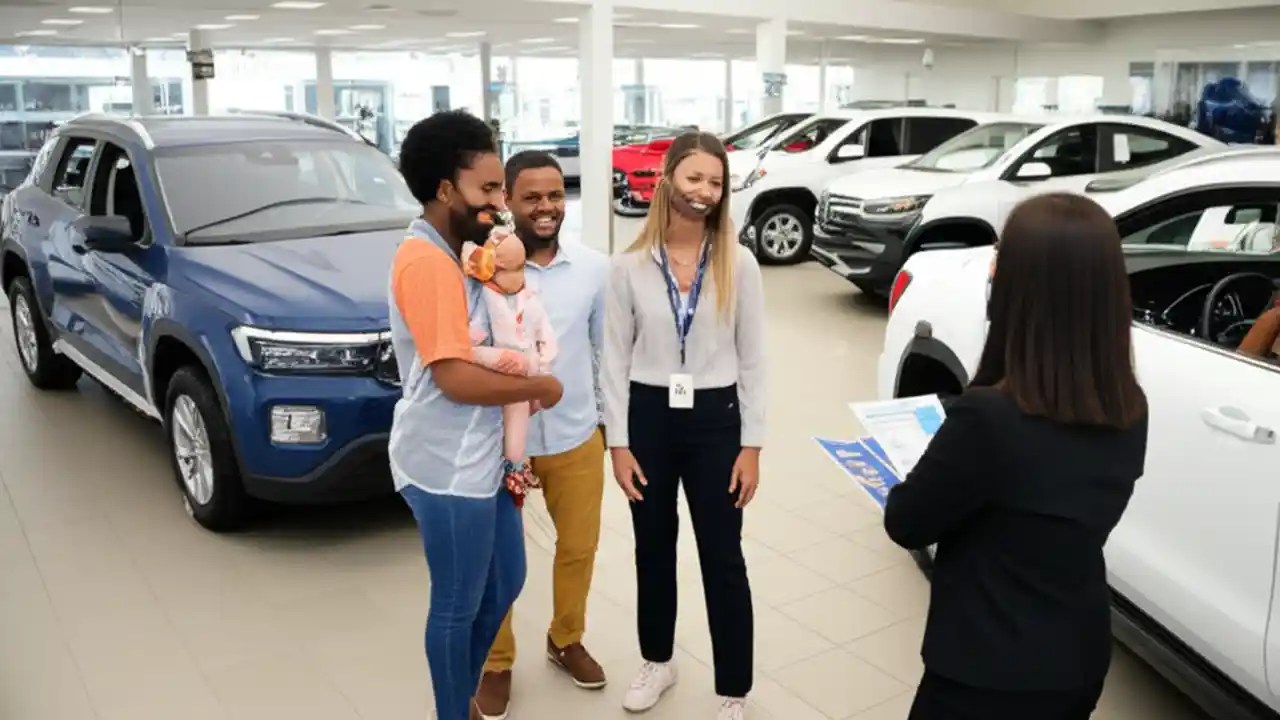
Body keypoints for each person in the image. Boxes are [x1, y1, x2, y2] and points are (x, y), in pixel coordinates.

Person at [883, 192, 1149, 720]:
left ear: (1024, 286)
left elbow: (907, 522)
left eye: (1002, 254)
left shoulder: (991, 418)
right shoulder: (1128, 407)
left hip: (986, 671)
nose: (991, 265)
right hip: (1077, 657)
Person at [388, 110, 564, 720]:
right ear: (445, 190)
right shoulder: (426, 261)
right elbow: (453, 376)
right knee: (458, 602)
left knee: (506, 579)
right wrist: (539, 382)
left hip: (484, 456)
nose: (499, 202)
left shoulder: (459, 250)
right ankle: (453, 710)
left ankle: (457, 693)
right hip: (446, 462)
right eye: (487, 189)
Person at [601, 131, 767, 720]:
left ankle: (733, 691)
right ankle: (658, 660)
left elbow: (753, 358)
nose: (704, 191)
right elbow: (614, 361)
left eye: (715, 183)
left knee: (724, 556)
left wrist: (752, 445)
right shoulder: (627, 266)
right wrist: (617, 444)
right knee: (653, 547)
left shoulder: (738, 263)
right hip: (647, 417)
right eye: (694, 177)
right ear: (668, 176)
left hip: (717, 420)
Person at [475, 150, 611, 718]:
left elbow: (607, 352)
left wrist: (610, 428)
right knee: (499, 559)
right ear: (507, 199)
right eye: (531, 196)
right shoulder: (484, 269)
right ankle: (496, 661)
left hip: (577, 432)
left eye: (555, 195)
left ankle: (565, 638)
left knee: (578, 548)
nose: (546, 207)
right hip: (505, 445)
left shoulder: (593, 268)